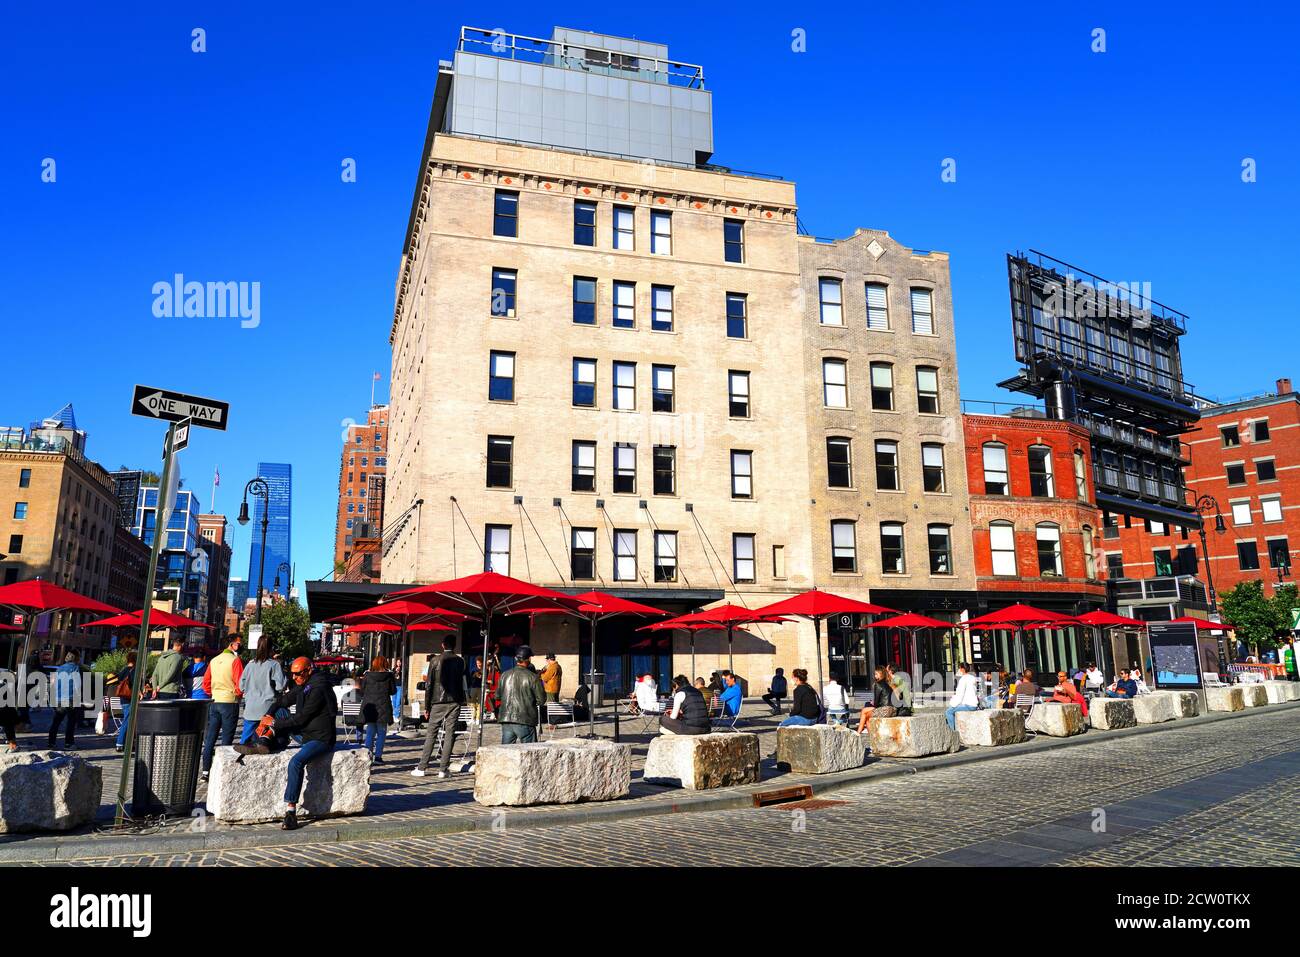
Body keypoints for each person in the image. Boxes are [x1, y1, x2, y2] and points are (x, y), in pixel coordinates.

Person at [235, 657, 337, 831]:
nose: (294, 677)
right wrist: (268, 716)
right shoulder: (304, 684)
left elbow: (301, 718)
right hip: (305, 732)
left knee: (296, 762)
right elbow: (282, 701)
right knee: (280, 710)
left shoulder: (318, 688)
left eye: (298, 674)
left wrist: (273, 723)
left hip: (320, 738)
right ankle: (262, 742)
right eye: (292, 674)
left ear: (308, 670)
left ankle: (290, 812)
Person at [413, 635, 466, 777]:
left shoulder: (435, 660)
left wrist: (427, 707)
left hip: (438, 701)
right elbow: (462, 682)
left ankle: (422, 767)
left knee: (432, 733)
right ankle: (443, 769)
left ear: (442, 645)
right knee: (449, 734)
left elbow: (429, 684)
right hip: (454, 701)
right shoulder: (460, 661)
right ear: (454, 645)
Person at [200, 635, 244, 780]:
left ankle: (205, 771)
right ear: (232, 645)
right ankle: (222, 772)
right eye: (238, 643)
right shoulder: (235, 660)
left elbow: (206, 683)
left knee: (210, 739)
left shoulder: (213, 661)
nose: (240, 645)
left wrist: (213, 693)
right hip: (230, 701)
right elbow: (240, 683)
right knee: (226, 740)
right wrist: (238, 695)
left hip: (215, 700)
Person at [238, 639, 286, 744]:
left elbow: (241, 686)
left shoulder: (249, 665)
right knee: (267, 740)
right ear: (271, 648)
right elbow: (281, 686)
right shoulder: (274, 665)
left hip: (250, 708)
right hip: (268, 710)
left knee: (245, 740)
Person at [495, 643, 545, 744]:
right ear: (528, 659)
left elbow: (497, 696)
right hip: (525, 718)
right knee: (529, 750)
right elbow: (541, 700)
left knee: (506, 750)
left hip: (506, 718)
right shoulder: (533, 677)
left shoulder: (504, 675)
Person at [359, 655, 396, 763]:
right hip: (383, 707)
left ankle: (368, 756)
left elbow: (362, 690)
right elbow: (393, 691)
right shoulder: (389, 676)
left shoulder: (367, 675)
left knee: (370, 732)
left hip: (371, 707)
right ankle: (378, 757)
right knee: (381, 733)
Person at [47, 652, 82, 750]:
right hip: (70, 698)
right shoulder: (75, 668)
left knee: (56, 721)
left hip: (58, 698)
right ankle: (68, 743)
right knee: (71, 721)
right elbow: (77, 684)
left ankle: (51, 742)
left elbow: (52, 684)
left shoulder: (59, 668)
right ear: (76, 658)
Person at [855, 666, 896, 733]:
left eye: (876, 674)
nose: (875, 676)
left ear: (881, 674)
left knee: (866, 716)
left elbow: (876, 703)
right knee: (864, 711)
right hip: (892, 709)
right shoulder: (888, 682)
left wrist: (873, 703)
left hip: (885, 710)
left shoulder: (878, 684)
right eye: (875, 674)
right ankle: (859, 732)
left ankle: (863, 733)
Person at [111, 652, 138, 752]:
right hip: (130, 698)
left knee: (128, 721)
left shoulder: (123, 670)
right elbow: (134, 684)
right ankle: (120, 743)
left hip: (122, 699)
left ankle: (128, 743)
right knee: (127, 721)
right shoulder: (134, 670)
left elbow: (118, 680)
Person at [944, 661, 979, 729]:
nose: (959, 670)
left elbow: (960, 696)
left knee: (948, 712)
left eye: (959, 668)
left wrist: (952, 704)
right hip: (974, 704)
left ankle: (953, 731)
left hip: (968, 705)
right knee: (953, 708)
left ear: (962, 669)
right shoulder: (972, 678)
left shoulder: (963, 679)